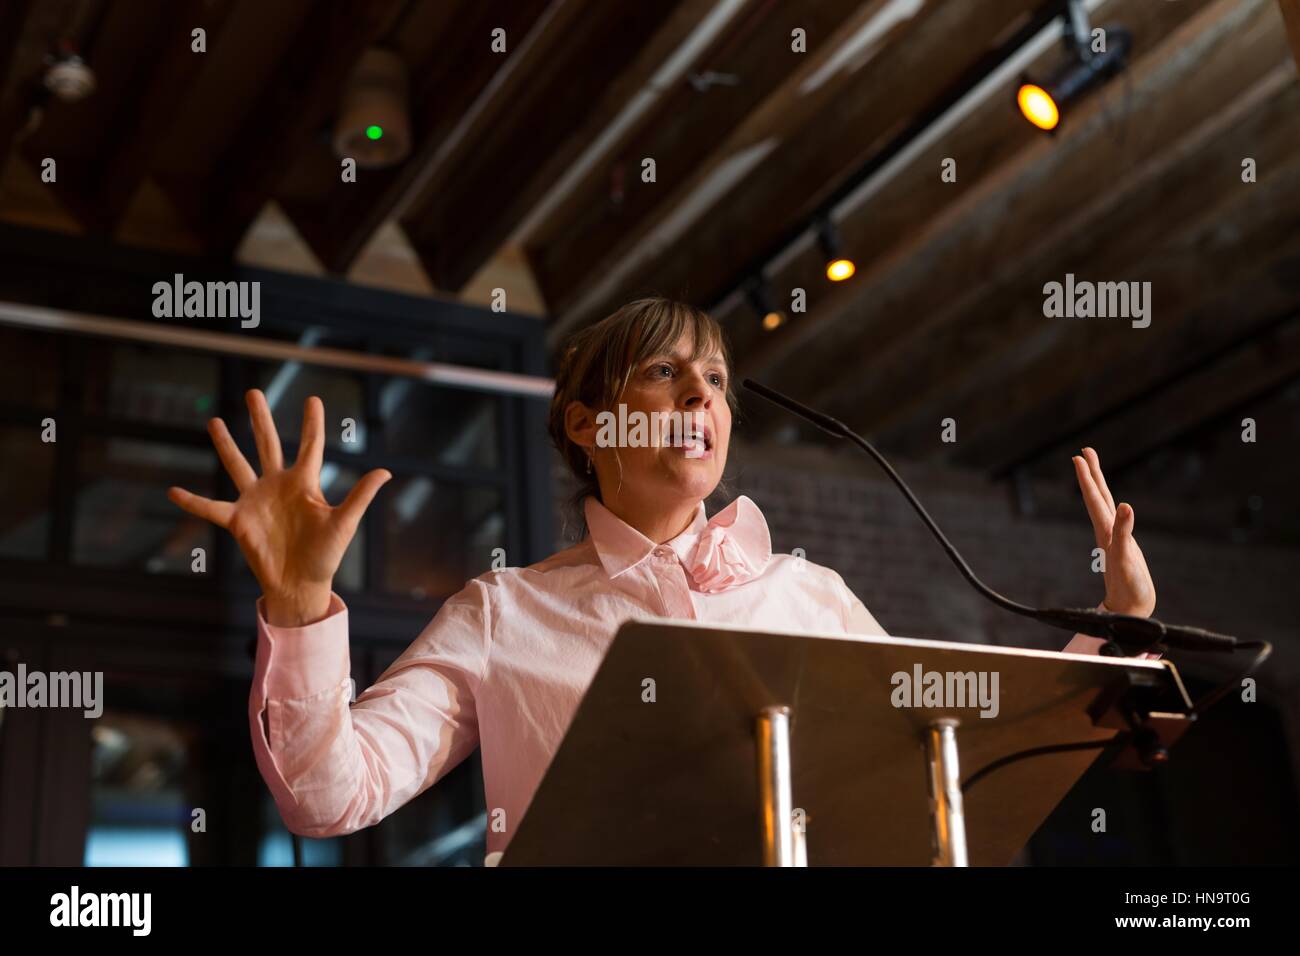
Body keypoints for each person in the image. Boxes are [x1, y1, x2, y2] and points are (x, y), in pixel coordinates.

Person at [167, 296, 1157, 864]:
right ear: (589, 423)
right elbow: (329, 796)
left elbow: (958, 752)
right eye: (663, 372)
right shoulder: (501, 612)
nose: (700, 393)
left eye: (717, 379)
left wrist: (1111, 631)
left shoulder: (807, 594)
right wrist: (300, 609)